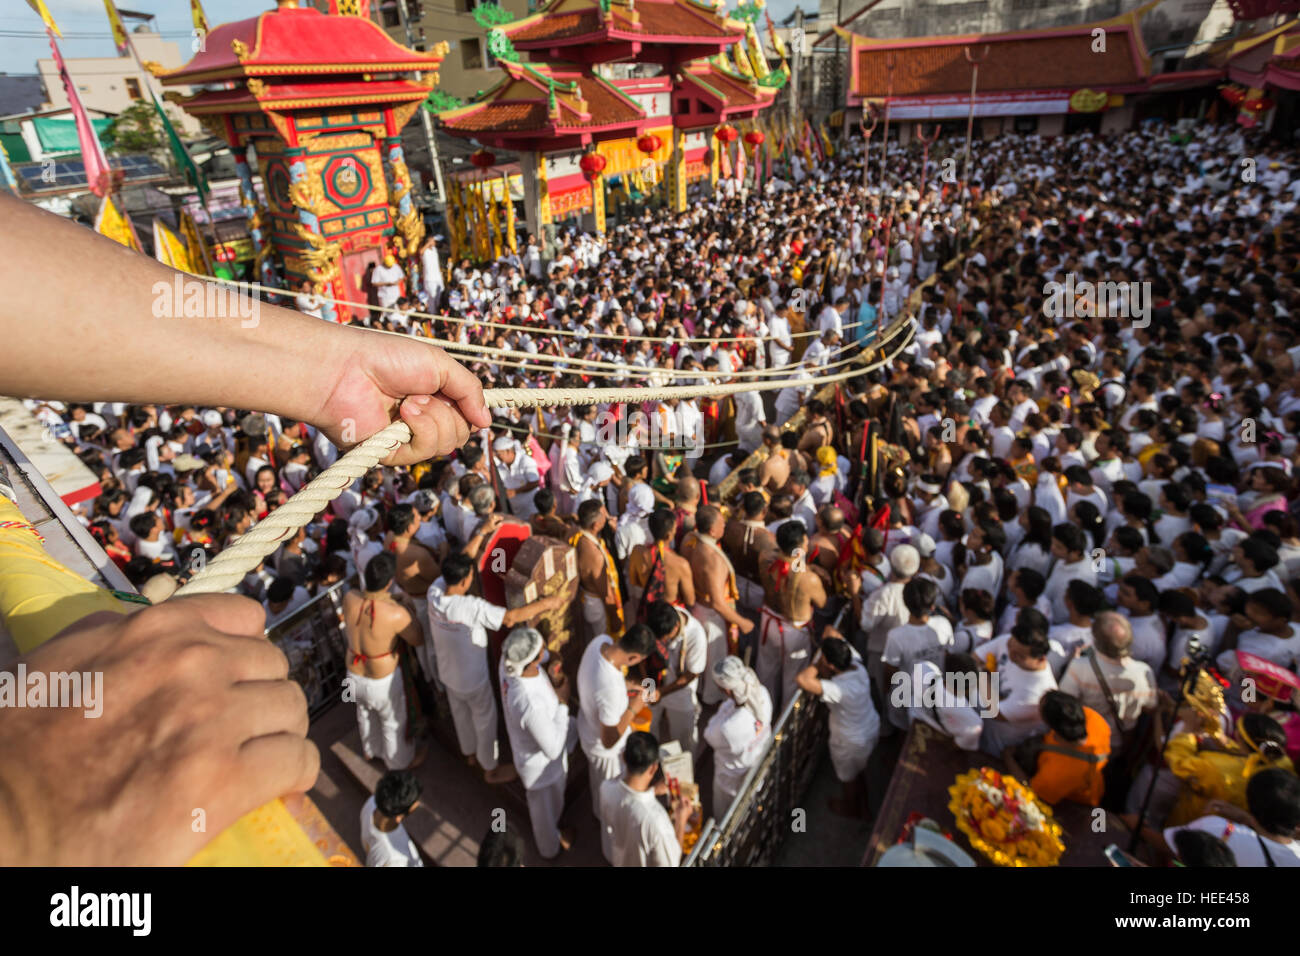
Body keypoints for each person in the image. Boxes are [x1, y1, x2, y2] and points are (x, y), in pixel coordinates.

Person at [426, 552, 563, 784]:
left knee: (461, 715)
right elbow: (510, 618)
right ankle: (489, 768)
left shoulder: (434, 592)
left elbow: (457, 563)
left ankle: (469, 754)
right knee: (484, 721)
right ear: (464, 581)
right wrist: (548, 603)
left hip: (447, 672)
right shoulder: (469, 607)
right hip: (473, 679)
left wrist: (481, 533)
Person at [577, 623, 656, 862]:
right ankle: (610, 853)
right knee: (611, 807)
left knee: (598, 785)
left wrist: (628, 688)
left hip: (587, 730)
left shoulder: (599, 642)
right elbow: (609, 739)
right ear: (633, 657)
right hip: (605, 750)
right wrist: (634, 707)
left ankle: (597, 812)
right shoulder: (610, 688)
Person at [342, 553, 426, 770]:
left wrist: (392, 601)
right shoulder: (396, 614)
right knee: (393, 722)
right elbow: (418, 639)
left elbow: (369, 601)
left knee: (364, 714)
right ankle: (399, 765)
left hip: (352, 675)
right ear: (390, 582)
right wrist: (407, 606)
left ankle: (372, 751)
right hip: (381, 681)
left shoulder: (350, 597)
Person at [499, 627, 577, 860]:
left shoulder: (508, 661)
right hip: (540, 768)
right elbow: (552, 749)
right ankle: (550, 849)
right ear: (532, 661)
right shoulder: (528, 703)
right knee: (544, 814)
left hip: (542, 743)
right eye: (542, 649)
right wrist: (562, 702)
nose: (546, 651)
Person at [796, 634, 879, 817]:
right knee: (858, 771)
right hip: (870, 728)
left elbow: (802, 680)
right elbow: (830, 630)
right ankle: (862, 806)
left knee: (848, 778)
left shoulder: (839, 689)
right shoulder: (856, 665)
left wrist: (817, 664)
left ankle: (851, 809)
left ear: (831, 665)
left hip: (850, 741)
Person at [599, 731, 694, 867]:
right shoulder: (656, 821)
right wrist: (681, 820)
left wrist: (653, 790)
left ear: (624, 757)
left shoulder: (606, 788)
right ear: (653, 768)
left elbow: (628, 802)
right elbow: (671, 863)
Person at [1005, 691, 1111, 807]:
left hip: (1072, 804)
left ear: (1052, 726)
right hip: (1096, 786)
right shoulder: (1095, 720)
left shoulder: (1056, 774)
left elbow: (1029, 791)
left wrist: (1009, 758)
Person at [704, 656, 773, 817]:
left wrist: (725, 710)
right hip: (757, 768)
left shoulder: (728, 727)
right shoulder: (762, 692)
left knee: (725, 818)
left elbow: (708, 734)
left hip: (729, 784)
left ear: (726, 690)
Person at [644, 600, 708, 757]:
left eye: (665, 639)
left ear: (675, 628)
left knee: (683, 740)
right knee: (646, 728)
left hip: (679, 692)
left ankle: (686, 774)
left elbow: (692, 674)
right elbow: (644, 653)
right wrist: (648, 685)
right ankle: (650, 763)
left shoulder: (696, 635)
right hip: (651, 681)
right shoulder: (657, 618)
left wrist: (662, 692)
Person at [360, 769, 424, 867]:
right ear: (398, 817)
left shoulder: (372, 803)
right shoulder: (396, 861)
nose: (418, 803)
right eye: (414, 803)